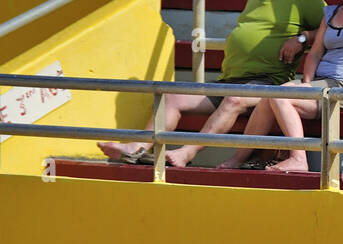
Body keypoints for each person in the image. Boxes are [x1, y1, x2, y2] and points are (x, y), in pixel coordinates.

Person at [97, 0, 326, 167]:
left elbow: (331, 27)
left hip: (266, 82)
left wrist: (302, 38)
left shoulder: (308, 2)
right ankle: (136, 148)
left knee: (234, 100)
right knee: (173, 97)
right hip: (229, 80)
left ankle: (186, 154)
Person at [220, 0, 343, 172]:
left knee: (281, 96)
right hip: (320, 84)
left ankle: (298, 159)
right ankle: (239, 158)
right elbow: (315, 53)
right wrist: (307, 85)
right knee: (273, 95)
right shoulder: (331, 12)